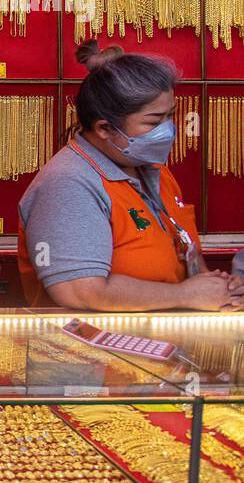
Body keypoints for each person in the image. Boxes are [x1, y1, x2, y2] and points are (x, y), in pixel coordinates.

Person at [18, 41, 242, 312]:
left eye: (170, 116)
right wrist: (184, 295)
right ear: (104, 128)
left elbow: (185, 253)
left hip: (161, 342)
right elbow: (80, 291)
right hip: (92, 349)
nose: (167, 130)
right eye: (153, 121)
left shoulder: (152, 169)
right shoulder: (68, 183)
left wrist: (216, 287)